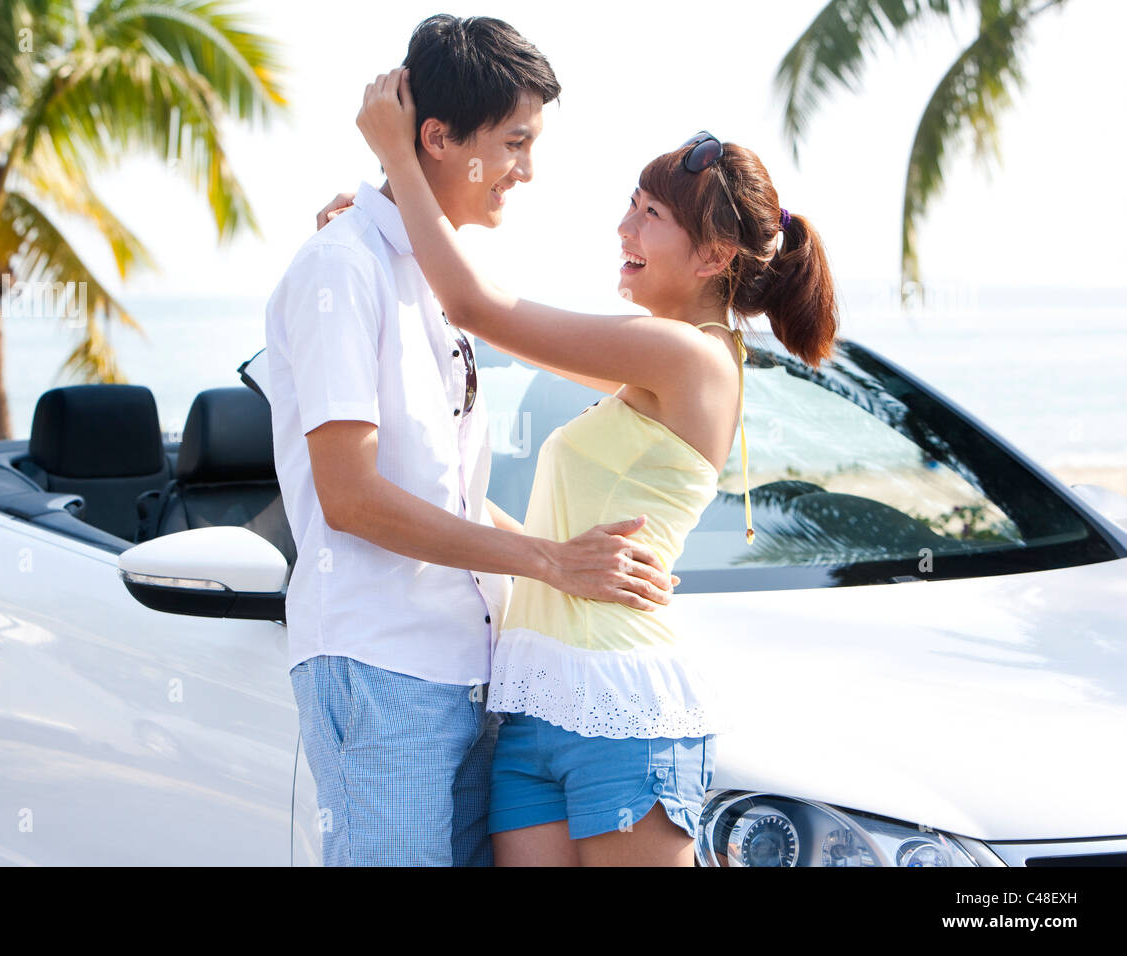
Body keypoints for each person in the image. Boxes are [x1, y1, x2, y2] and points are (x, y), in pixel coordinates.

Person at [353, 66, 840, 866]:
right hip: (538, 700)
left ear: (715, 256)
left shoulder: (686, 355)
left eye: (650, 216)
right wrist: (381, 229)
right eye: (633, 205)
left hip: (624, 710)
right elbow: (477, 314)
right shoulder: (655, 364)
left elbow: (480, 308)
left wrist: (398, 169)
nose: (624, 229)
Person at [264, 15, 677, 868]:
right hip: (381, 668)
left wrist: (576, 557)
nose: (528, 169)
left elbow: (445, 493)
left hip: (469, 667)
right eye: (516, 142)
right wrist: (550, 563)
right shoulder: (342, 268)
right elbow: (351, 496)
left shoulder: (430, 274)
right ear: (438, 139)